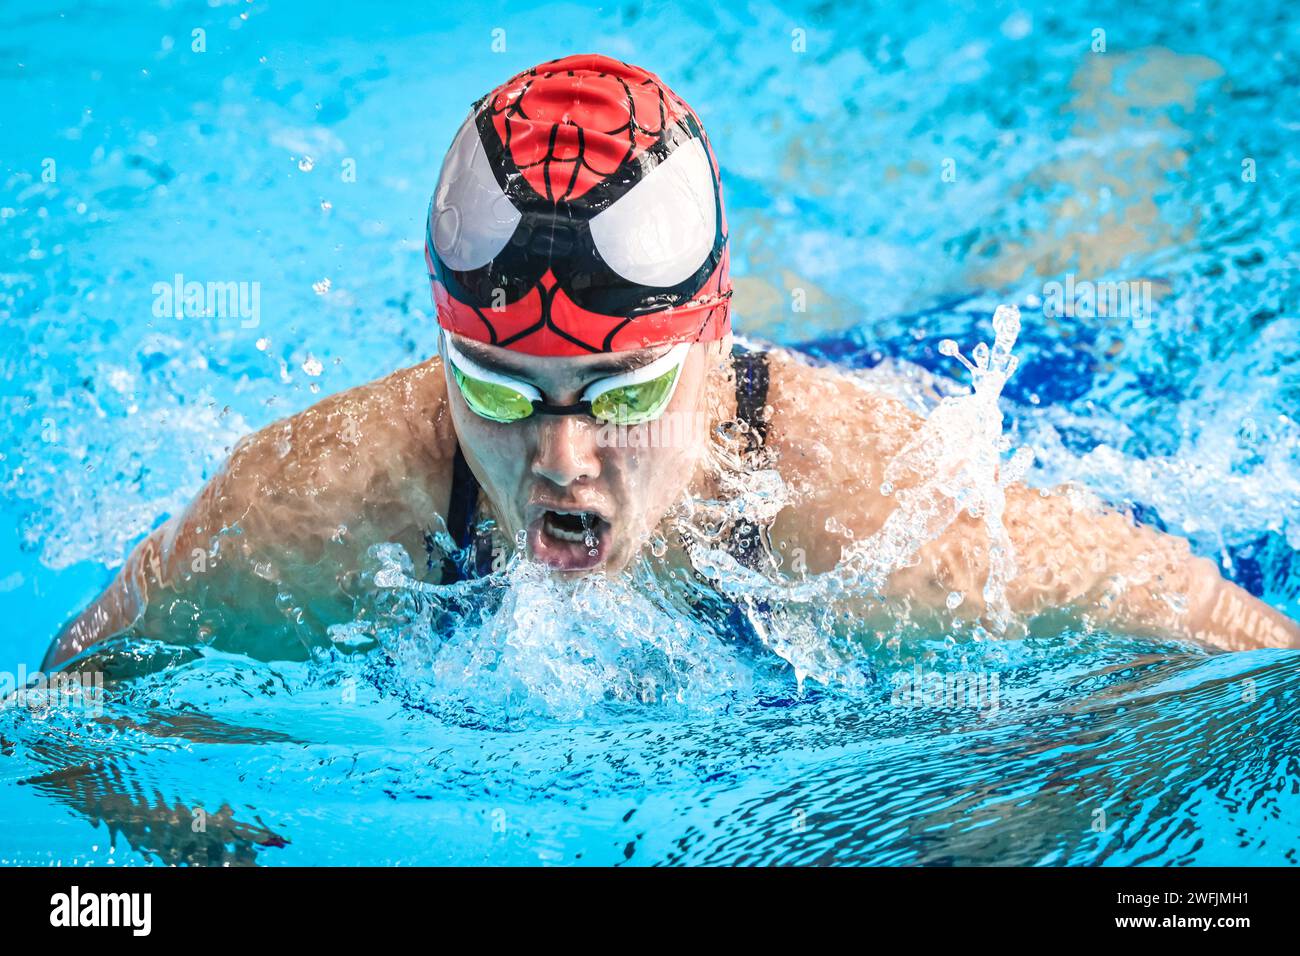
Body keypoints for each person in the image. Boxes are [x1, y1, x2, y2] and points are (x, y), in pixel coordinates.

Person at [42, 54, 1299, 671]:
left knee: (1060, 270)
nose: (559, 457)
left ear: (708, 333)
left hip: (979, 384)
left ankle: (1137, 100)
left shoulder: (873, 511)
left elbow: (1242, 648)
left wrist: (1055, 800)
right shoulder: (323, 498)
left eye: (619, 394)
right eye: (495, 388)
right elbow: (75, 691)